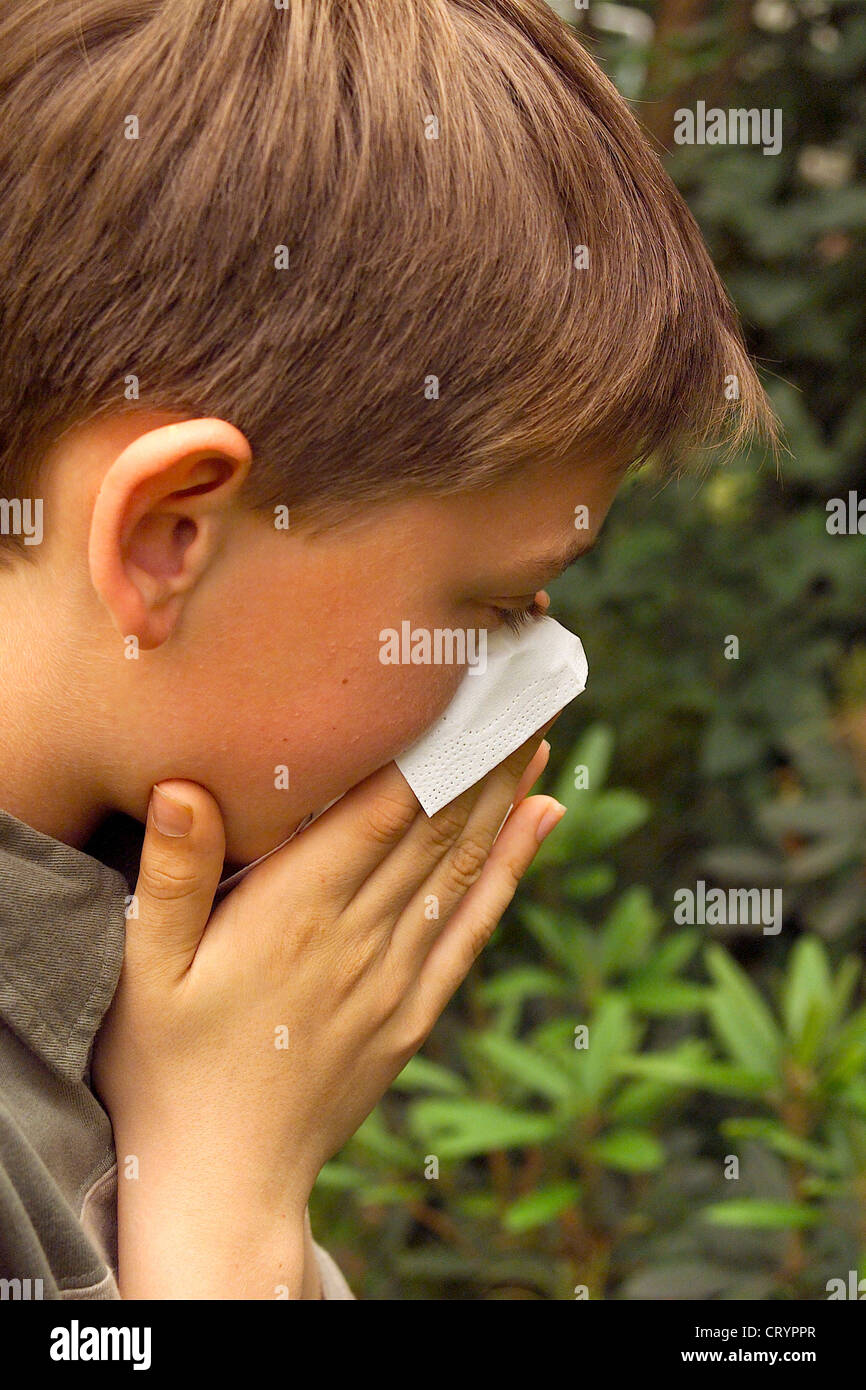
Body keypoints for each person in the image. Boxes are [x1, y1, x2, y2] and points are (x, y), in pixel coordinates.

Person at [0, 0, 775, 1299]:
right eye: (491, 605)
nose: (533, 676)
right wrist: (224, 1202)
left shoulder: (161, 940)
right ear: (166, 538)